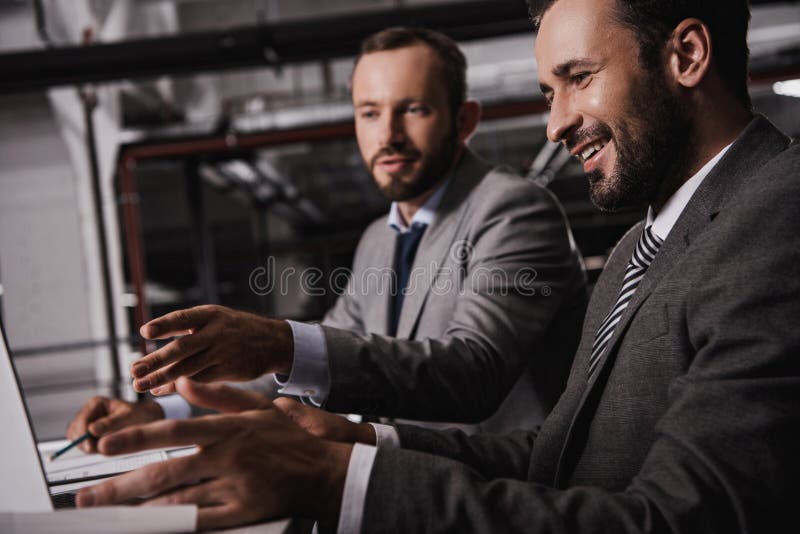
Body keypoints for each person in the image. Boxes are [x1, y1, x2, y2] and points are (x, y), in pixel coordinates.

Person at [76, 0, 800, 531]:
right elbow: (559, 455)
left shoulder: (775, 218)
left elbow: (685, 517)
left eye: (579, 78)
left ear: (687, 57)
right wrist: (358, 439)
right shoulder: (640, 250)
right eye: (551, 94)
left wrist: (347, 477)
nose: (554, 124)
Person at [66, 27, 587, 451]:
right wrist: (156, 410)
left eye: (414, 109)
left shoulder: (513, 210)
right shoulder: (378, 241)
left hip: (508, 497)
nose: (388, 135)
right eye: (369, 113)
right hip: (413, 487)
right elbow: (297, 368)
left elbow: (473, 372)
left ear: (465, 119)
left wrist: (279, 341)